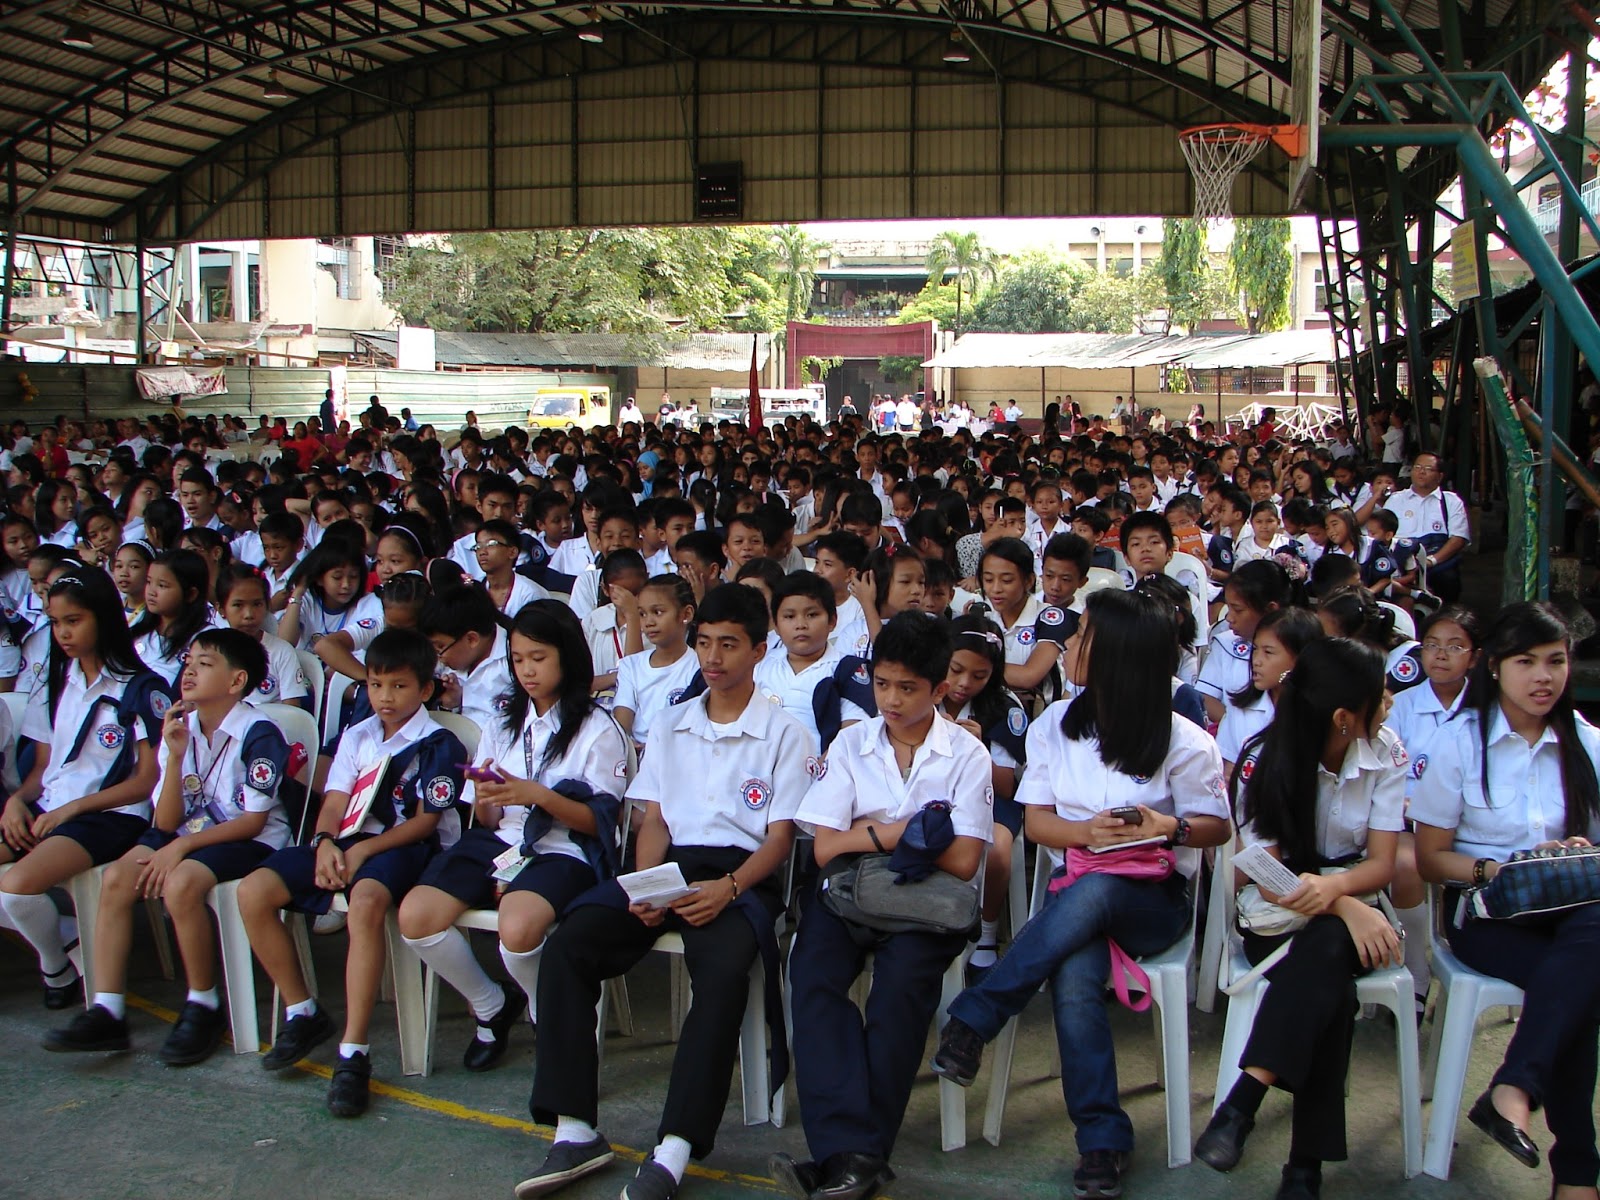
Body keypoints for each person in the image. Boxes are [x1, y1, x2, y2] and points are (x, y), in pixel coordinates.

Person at [929, 588, 1231, 1200]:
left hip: (1153, 900)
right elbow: (1038, 824)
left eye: (1081, 635)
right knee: (1074, 969)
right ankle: (1101, 1140)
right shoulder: (1053, 728)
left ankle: (977, 1012)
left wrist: (1164, 827)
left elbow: (1218, 827)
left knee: (1095, 893)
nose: (1065, 645)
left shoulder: (1184, 740)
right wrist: (1087, 833)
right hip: (1079, 897)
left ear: (1116, 655)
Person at [515, 583, 811, 1200]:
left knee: (725, 972)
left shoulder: (784, 732)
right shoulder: (674, 722)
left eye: (729, 645)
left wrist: (728, 889)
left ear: (761, 649)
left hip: (739, 874)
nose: (713, 657)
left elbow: (779, 841)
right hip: (670, 865)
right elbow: (653, 819)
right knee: (572, 941)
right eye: (704, 642)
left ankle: (676, 1145)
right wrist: (644, 887)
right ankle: (574, 1129)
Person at [772, 613, 993, 1200]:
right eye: (882, 684)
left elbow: (967, 860)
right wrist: (908, 833)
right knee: (814, 981)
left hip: (926, 908)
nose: (891, 700)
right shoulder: (852, 741)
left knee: (898, 999)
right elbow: (824, 847)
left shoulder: (966, 755)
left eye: (908, 688)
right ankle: (857, 1157)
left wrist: (871, 829)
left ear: (939, 689)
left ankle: (846, 1158)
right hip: (848, 894)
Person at [1193, 638, 1405, 1200]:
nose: (1388, 705)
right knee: (1330, 971)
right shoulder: (1265, 760)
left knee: (1328, 957)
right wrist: (1342, 902)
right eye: (1378, 698)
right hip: (1277, 913)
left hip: (1353, 907)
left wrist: (1339, 892)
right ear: (1342, 717)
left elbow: (1383, 863)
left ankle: (1244, 1101)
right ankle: (1303, 1166)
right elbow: (1265, 873)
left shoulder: (1386, 751)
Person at [235, 629, 466, 1118]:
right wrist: (323, 843)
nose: (385, 697)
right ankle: (302, 1010)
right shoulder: (359, 735)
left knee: (364, 905)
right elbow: (335, 800)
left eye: (399, 686)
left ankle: (353, 1050)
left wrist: (362, 853)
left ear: (425, 689)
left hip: (407, 846)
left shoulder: (437, 742)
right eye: (377, 685)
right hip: (346, 840)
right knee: (255, 890)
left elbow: (426, 821)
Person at [1412, 602, 1600, 1197]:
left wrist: (1574, 852)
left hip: (1575, 914)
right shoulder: (1461, 743)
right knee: (1576, 985)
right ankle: (1576, 1171)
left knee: (1580, 960)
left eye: (1555, 661)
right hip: (1489, 917)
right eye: (1526, 662)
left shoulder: (1588, 743)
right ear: (1495, 667)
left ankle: (1515, 1091)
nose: (1543, 677)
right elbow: (1429, 858)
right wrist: (1501, 867)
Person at [398, 602, 629, 1071]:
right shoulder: (503, 724)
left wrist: (537, 795)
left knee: (518, 928)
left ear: (567, 656)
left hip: (564, 847)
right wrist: (486, 796)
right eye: (519, 658)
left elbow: (599, 824)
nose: (527, 670)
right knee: (416, 917)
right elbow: (485, 821)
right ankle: (490, 1005)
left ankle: (546, 1013)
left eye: (538, 657)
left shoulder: (598, 727)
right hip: (502, 841)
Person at [42, 629, 291, 1063]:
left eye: (205, 663)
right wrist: (174, 757)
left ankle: (203, 1003)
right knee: (118, 878)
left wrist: (179, 847)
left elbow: (252, 822)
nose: (189, 669)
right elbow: (166, 821)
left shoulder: (259, 732)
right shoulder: (181, 726)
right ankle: (107, 1010)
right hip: (190, 830)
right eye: (189, 660)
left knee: (181, 883)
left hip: (247, 839)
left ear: (236, 681)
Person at [0, 569, 172, 1007]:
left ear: (103, 618)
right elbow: (43, 767)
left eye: (73, 620)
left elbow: (147, 781)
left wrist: (73, 810)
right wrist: (17, 802)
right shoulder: (58, 681)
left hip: (110, 816)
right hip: (53, 806)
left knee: (16, 887)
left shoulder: (140, 687)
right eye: (55, 622)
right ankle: (68, 947)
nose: (62, 633)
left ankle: (55, 967)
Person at [1385, 452, 1470, 604]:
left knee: (1449, 580)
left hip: (1436, 560)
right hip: (1401, 559)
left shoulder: (1450, 501)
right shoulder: (1396, 499)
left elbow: (1458, 539)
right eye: (1417, 467)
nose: (1421, 471)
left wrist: (1431, 561)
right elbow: (1382, 531)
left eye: (1428, 468)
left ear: (1440, 476)